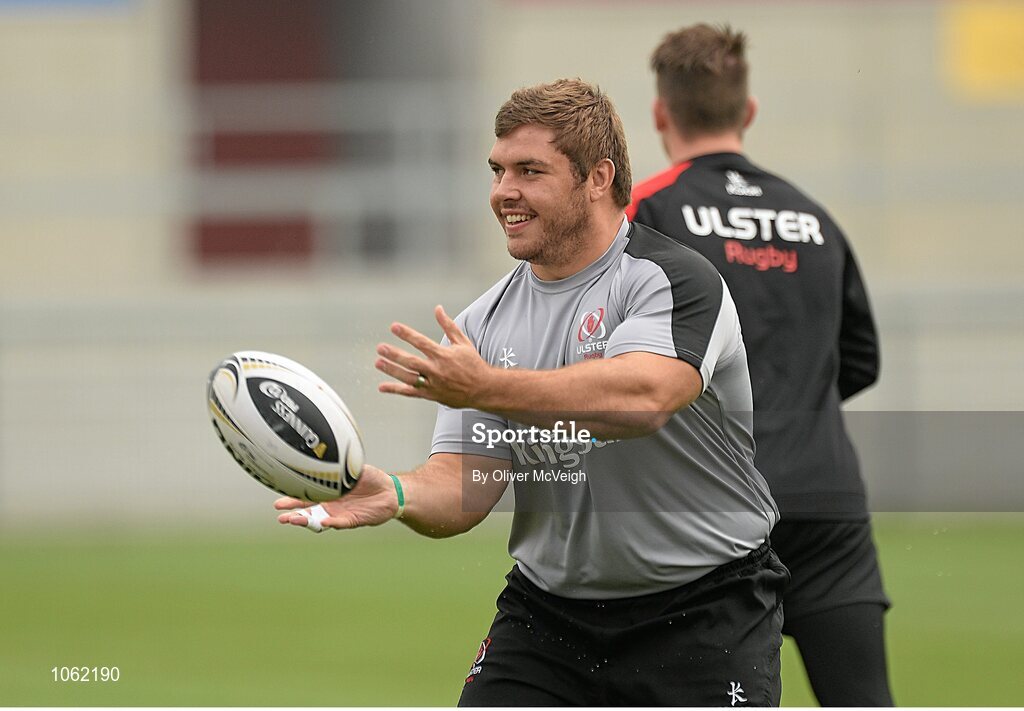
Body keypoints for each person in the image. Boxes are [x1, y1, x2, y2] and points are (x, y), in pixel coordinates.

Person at [276, 78, 787, 706]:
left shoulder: (671, 280)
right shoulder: (483, 323)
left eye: (529, 170)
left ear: (597, 178)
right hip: (551, 616)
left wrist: (488, 387)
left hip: (706, 608)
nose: (502, 193)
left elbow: (644, 400)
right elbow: (466, 488)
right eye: (496, 171)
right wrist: (399, 493)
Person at [627, 24, 892, 706]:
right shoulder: (815, 217)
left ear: (661, 114)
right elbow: (859, 359)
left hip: (713, 510)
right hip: (829, 503)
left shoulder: (647, 213)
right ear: (747, 112)